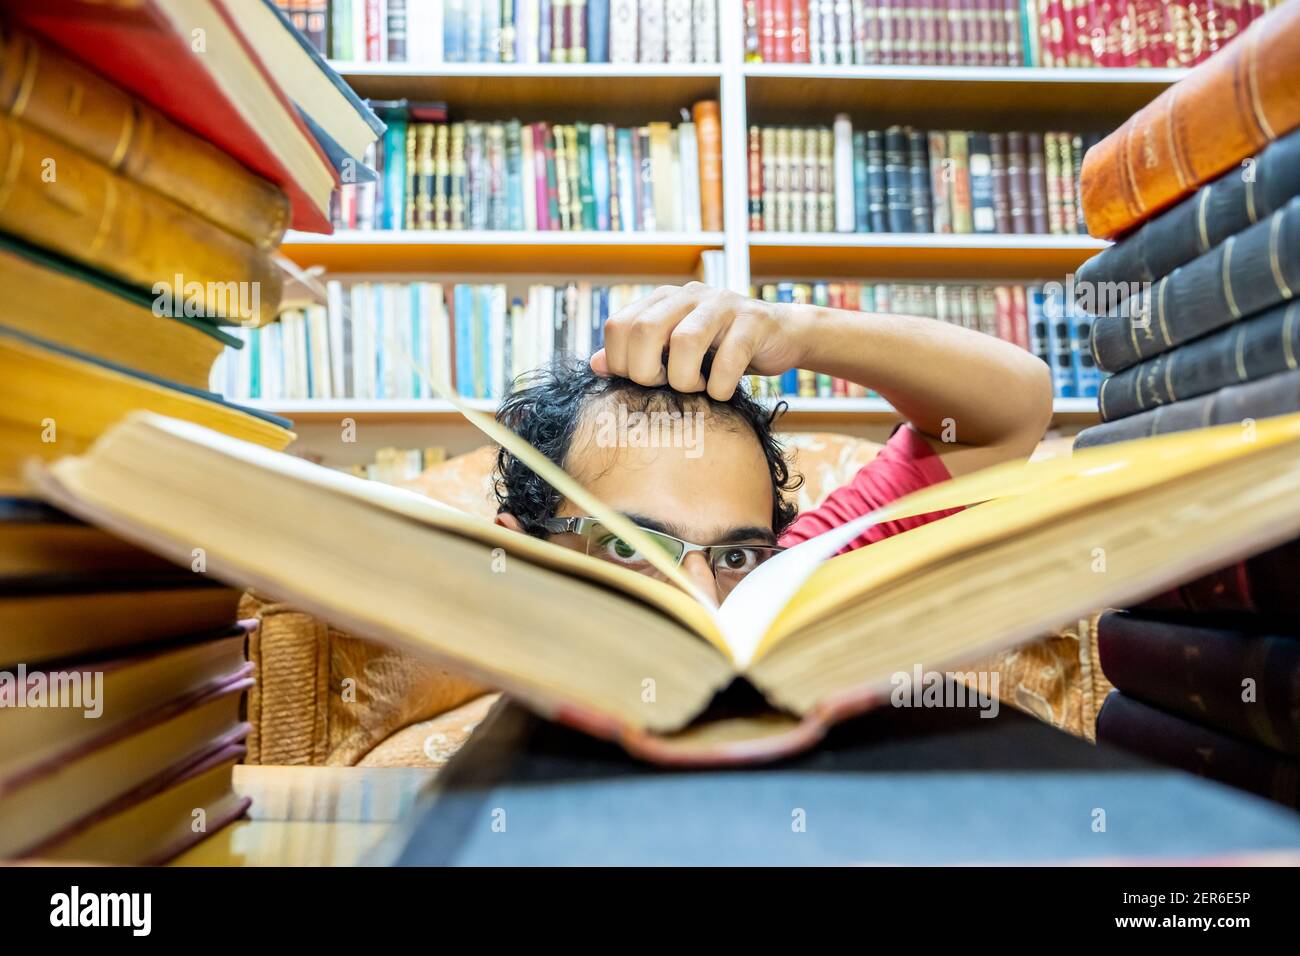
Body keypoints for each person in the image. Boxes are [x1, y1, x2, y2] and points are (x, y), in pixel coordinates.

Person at [493, 282, 1053, 605]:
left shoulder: (785, 584)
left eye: (735, 557)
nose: (705, 606)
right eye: (628, 547)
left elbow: (1008, 416)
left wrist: (800, 330)